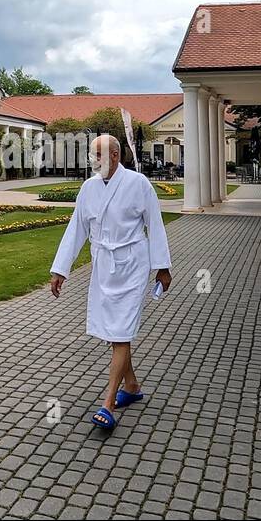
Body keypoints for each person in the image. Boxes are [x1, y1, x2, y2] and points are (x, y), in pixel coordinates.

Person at [50, 134, 171, 430]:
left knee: (120, 332)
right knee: (115, 331)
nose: (93, 162)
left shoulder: (138, 184)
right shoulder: (88, 188)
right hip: (104, 265)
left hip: (132, 264)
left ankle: (107, 405)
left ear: (115, 156)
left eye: (98, 156)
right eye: (92, 156)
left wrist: (162, 267)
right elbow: (76, 228)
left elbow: (154, 224)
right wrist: (60, 269)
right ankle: (131, 386)